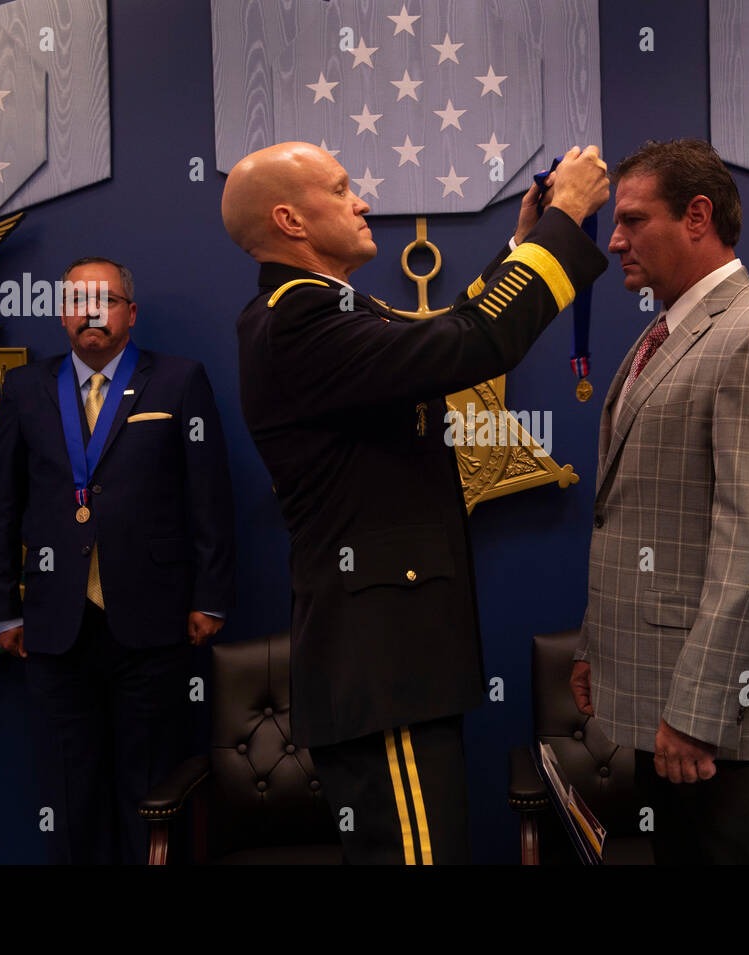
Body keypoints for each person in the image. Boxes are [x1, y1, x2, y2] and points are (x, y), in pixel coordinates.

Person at [223, 141, 609, 864]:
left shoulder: (316, 310)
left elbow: (443, 336)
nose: (362, 201)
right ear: (290, 219)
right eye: (342, 189)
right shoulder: (300, 320)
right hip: (382, 664)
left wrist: (524, 245)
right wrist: (566, 219)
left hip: (391, 660)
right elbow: (470, 344)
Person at [572, 139, 749, 864]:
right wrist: (599, 643)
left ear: (697, 215)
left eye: (631, 219)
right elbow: (637, 513)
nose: (615, 240)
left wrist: (696, 712)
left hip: (733, 728)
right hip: (666, 711)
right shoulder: (659, 336)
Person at [0, 257, 235, 864]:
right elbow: (1, 508)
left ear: (131, 312)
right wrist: (3, 612)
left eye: (108, 300)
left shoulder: (178, 381)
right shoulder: (25, 389)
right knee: (68, 793)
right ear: (61, 314)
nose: (92, 313)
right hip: (52, 626)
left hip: (154, 621)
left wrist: (210, 597)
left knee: (149, 788)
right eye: (79, 302)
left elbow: (210, 498)